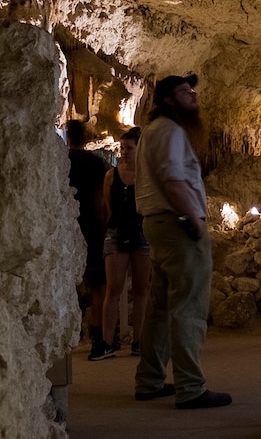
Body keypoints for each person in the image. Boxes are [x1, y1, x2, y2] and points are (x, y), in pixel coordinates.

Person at [133, 74, 232, 410]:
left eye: (192, 91)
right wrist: (194, 220)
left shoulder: (153, 131)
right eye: (185, 92)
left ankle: (149, 380)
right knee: (189, 306)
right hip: (178, 226)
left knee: (160, 308)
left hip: (157, 224)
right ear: (168, 99)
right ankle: (190, 387)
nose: (193, 96)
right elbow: (174, 180)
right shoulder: (171, 131)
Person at [98, 126, 151, 360]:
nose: (124, 153)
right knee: (114, 288)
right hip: (117, 232)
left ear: (140, 149)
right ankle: (107, 342)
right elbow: (109, 207)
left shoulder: (148, 175)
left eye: (128, 148)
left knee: (141, 289)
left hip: (141, 232)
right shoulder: (111, 175)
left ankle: (139, 339)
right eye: (122, 148)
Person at [67, 120, 112, 360]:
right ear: (85, 138)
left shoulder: (62, 161)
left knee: (69, 284)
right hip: (92, 229)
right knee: (98, 287)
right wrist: (105, 226)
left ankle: (66, 336)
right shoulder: (95, 163)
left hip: (67, 229)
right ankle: (98, 340)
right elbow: (101, 198)